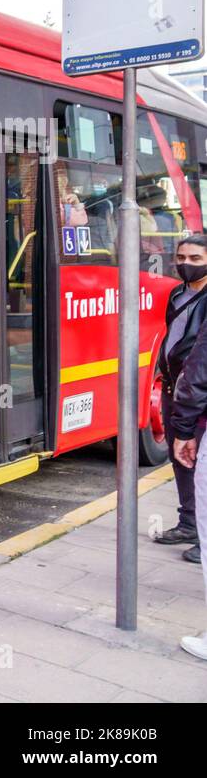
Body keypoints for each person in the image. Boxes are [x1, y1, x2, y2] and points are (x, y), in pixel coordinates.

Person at [160, 235, 207, 566]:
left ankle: (203, 538)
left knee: (199, 464)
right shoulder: (177, 293)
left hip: (196, 393)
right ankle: (189, 523)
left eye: (195, 257)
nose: (186, 264)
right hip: (174, 388)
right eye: (181, 257)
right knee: (180, 459)